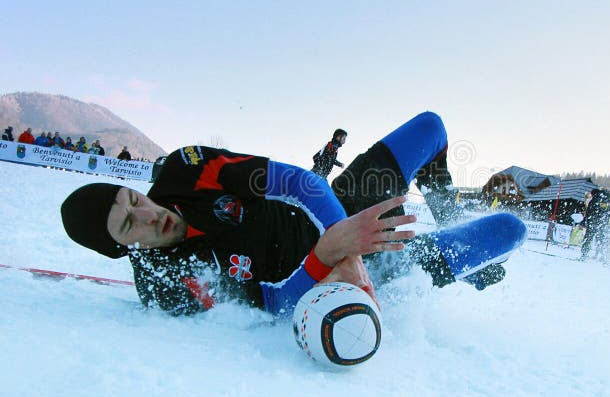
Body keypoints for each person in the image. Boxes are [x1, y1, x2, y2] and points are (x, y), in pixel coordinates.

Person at [61, 112, 508, 318]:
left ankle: (449, 220)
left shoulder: (185, 169)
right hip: (323, 285)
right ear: (121, 249)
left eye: (133, 200)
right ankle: (446, 259)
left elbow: (299, 182)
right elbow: (270, 306)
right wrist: (328, 258)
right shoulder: (166, 284)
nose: (146, 214)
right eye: (127, 225)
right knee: (507, 230)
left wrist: (341, 237)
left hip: (335, 214)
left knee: (431, 128)